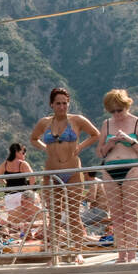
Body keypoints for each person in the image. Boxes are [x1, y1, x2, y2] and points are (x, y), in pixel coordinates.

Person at [30, 87, 99, 263]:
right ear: (51, 104)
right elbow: (33, 138)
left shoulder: (77, 120)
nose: (62, 107)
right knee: (53, 214)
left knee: (73, 213)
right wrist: (45, 147)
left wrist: (80, 147)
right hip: (51, 172)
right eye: (58, 103)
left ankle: (77, 251)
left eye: (65, 103)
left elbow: (95, 134)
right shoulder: (44, 123)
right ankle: (55, 253)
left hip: (73, 171)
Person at [98, 88, 138, 263]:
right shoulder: (106, 124)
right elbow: (100, 152)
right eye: (112, 111)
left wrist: (131, 141)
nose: (116, 114)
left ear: (126, 106)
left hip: (132, 168)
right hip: (109, 169)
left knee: (130, 213)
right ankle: (121, 254)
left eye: (119, 110)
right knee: (116, 215)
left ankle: (132, 255)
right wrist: (110, 143)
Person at [0, 143, 41, 232]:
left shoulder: (5, 164)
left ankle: (15, 235)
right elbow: (32, 177)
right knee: (28, 217)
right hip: (22, 195)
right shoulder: (22, 164)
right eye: (23, 152)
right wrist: (31, 192)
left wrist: (5, 184)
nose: (24, 154)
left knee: (13, 219)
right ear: (17, 152)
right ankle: (29, 234)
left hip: (9, 195)